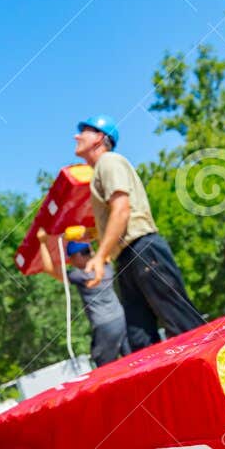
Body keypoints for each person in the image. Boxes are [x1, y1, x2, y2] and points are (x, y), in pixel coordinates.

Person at [73, 114, 206, 351]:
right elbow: (118, 214)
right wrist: (95, 233)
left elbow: (122, 211)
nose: (77, 136)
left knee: (183, 324)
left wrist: (100, 255)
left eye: (84, 131)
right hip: (128, 258)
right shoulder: (101, 170)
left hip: (143, 250)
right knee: (141, 341)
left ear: (99, 138)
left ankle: (216, 381)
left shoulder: (109, 162)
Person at [35, 230, 128, 367]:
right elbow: (103, 244)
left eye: (71, 258)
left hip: (104, 325)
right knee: (134, 359)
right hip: (122, 319)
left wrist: (43, 242)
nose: (70, 262)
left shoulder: (81, 275)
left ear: (76, 257)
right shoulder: (106, 266)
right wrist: (93, 235)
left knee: (105, 369)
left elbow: (49, 269)